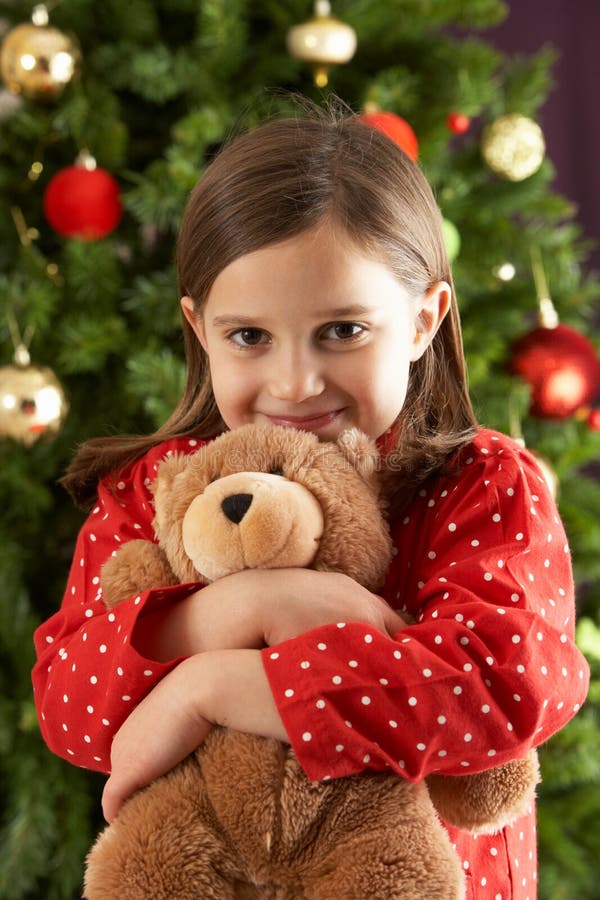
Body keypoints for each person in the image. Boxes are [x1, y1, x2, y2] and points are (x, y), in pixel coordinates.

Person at [33, 106, 589, 899]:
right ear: (200, 330)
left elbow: (506, 685)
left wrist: (212, 690)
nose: (295, 384)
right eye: (250, 337)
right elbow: (70, 704)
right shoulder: (157, 491)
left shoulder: (482, 485)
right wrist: (252, 606)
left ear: (423, 320)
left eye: (342, 330)